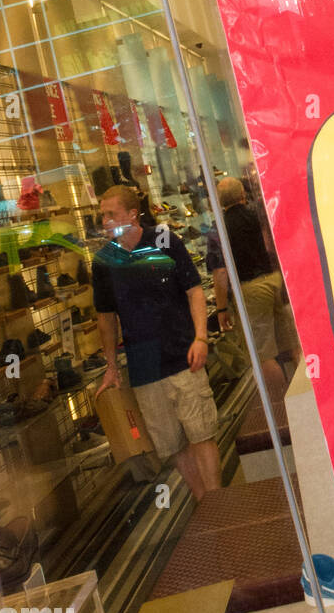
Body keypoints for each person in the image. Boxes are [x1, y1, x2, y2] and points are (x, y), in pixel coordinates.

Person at [93, 184, 221, 501]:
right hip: (143, 367)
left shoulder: (163, 238)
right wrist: (111, 367)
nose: (105, 221)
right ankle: (202, 500)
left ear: (132, 214)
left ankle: (218, 501)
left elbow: (193, 290)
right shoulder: (104, 262)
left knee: (201, 433)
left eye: (111, 214)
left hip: (183, 355)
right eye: (102, 215)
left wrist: (201, 337)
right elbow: (106, 319)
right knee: (172, 444)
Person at [208, 177, 298, 402]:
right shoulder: (258, 217)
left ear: (219, 202)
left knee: (263, 355)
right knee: (291, 345)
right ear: (243, 195)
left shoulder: (219, 227)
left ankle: (281, 404)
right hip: (276, 280)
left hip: (250, 290)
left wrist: (221, 309)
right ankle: (306, 395)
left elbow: (220, 272)